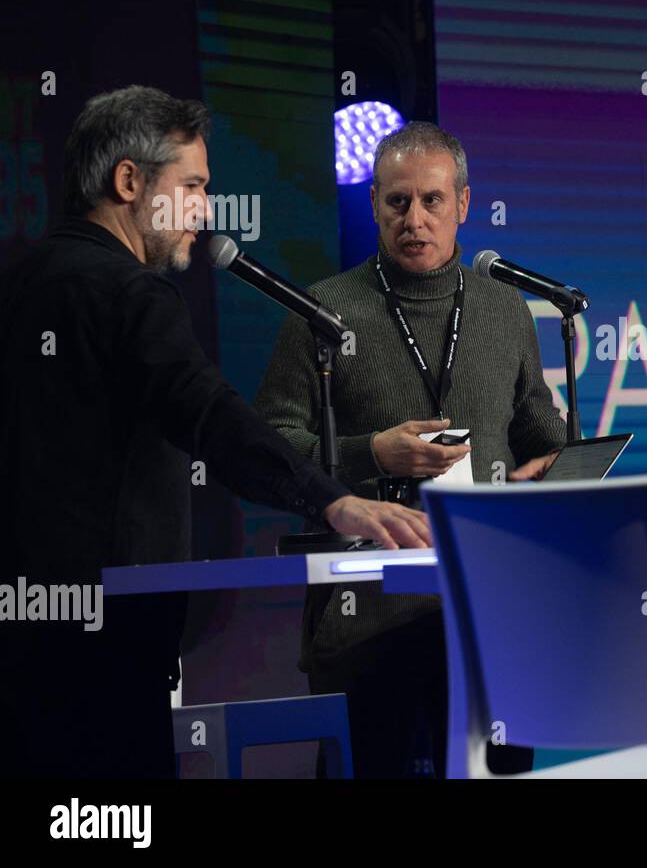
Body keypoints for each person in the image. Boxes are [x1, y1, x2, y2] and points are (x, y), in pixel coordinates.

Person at [0, 86, 429, 778]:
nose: (205, 208)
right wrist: (330, 498)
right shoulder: (131, 294)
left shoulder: (18, 286)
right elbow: (209, 414)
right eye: (193, 185)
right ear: (129, 181)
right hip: (104, 663)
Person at [255, 121, 566, 777]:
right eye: (397, 202)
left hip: (490, 608)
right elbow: (273, 447)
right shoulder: (323, 312)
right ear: (373, 205)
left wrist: (558, 463)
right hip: (366, 614)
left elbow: (539, 428)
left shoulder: (505, 308)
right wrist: (375, 453)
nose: (414, 219)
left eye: (431, 201)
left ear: (463, 204)